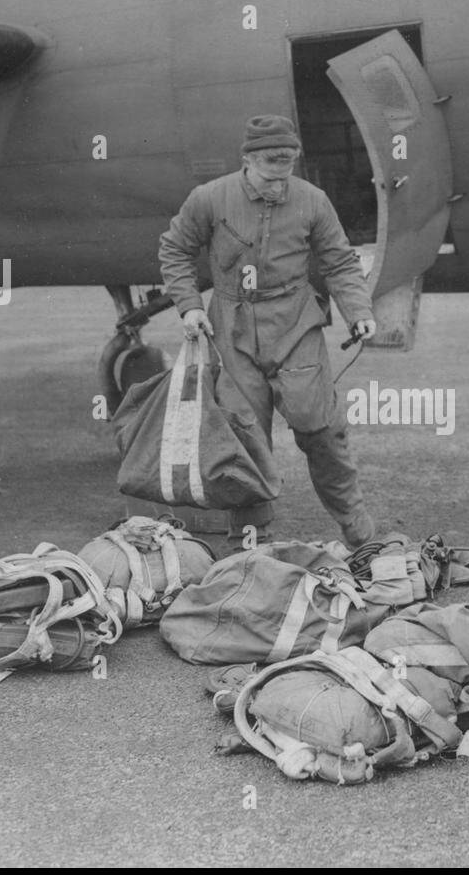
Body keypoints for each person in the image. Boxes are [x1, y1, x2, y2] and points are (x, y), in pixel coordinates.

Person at [159, 114, 378, 551]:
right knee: (243, 436)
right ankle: (251, 542)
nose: (278, 186)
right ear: (247, 161)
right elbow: (175, 248)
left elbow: (339, 260)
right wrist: (189, 306)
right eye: (268, 177)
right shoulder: (209, 198)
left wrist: (358, 310)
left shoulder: (313, 201)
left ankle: (358, 529)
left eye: (285, 175)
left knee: (321, 427)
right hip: (232, 327)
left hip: (295, 323)